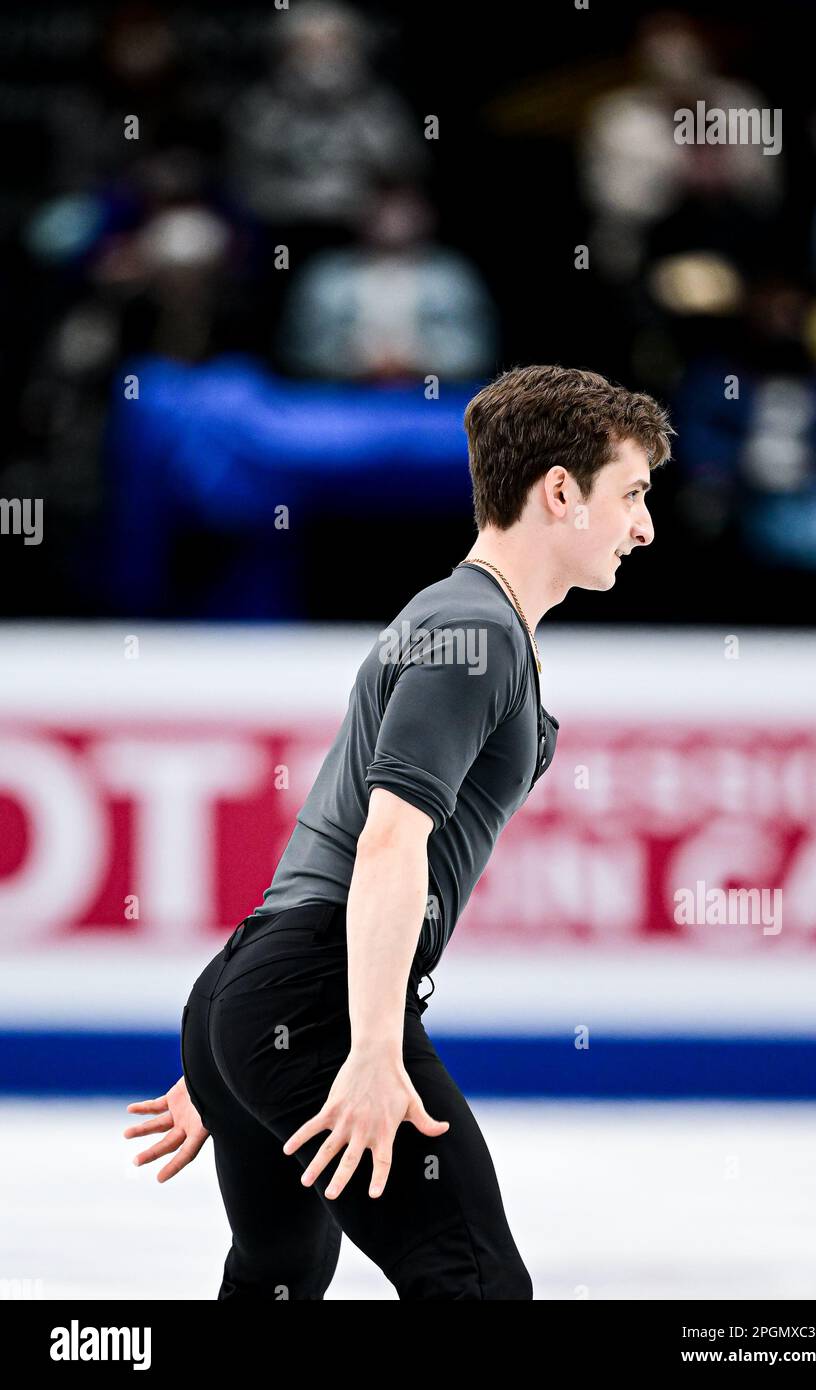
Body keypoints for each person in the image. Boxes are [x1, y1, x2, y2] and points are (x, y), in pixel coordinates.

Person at [124, 364, 673, 1299]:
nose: (643, 525)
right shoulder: (476, 632)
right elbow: (386, 841)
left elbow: (331, 842)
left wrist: (238, 1045)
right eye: (630, 493)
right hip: (309, 995)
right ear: (558, 492)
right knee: (471, 1277)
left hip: (255, 990)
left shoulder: (465, 618)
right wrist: (369, 1050)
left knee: (283, 1269)